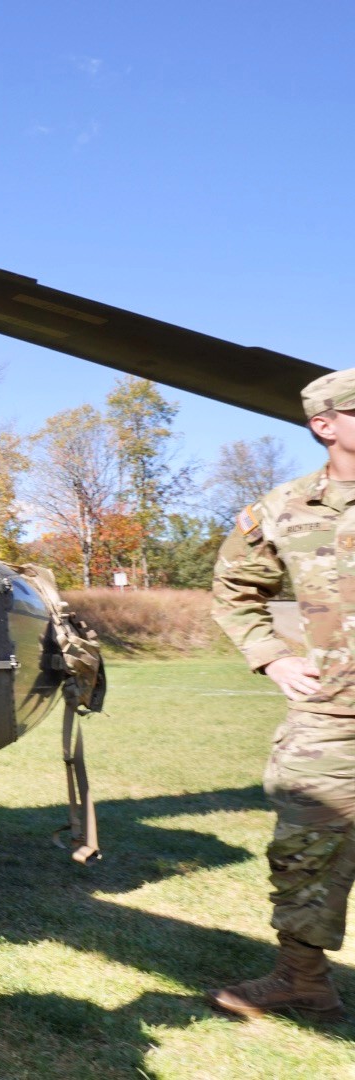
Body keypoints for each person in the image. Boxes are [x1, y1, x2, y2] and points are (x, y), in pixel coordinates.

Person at [208, 367, 355, 1022]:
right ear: (325, 425)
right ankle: (302, 980)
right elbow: (235, 590)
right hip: (333, 717)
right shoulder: (285, 508)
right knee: (303, 851)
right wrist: (271, 657)